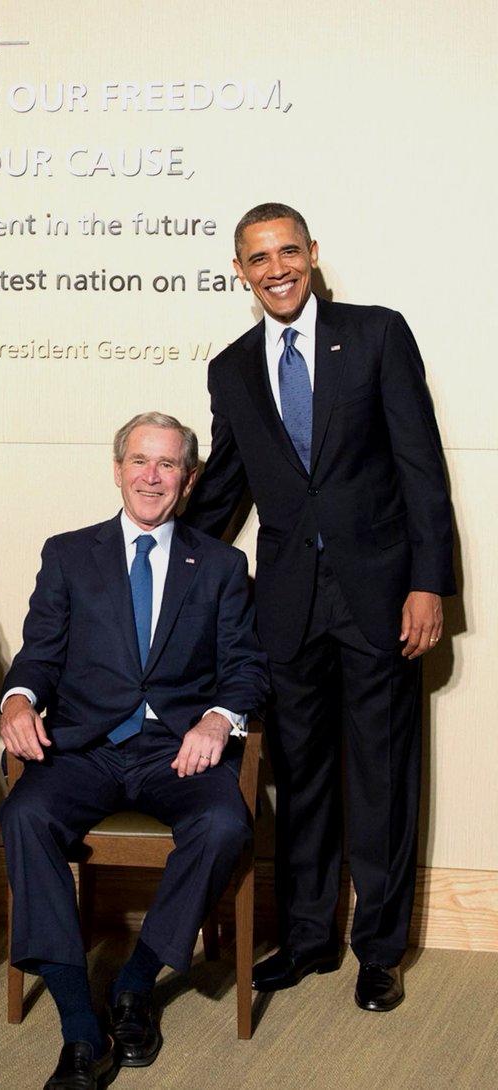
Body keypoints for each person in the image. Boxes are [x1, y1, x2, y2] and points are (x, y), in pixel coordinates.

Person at [183, 202, 456, 1012]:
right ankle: (307, 940)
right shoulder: (232, 369)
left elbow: (420, 464)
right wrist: (156, 551)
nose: (277, 269)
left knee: (381, 780)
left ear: (311, 253)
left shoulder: (376, 334)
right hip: (287, 607)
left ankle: (380, 950)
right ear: (240, 271)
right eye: (259, 258)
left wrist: (429, 582)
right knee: (300, 779)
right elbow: (225, 487)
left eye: (288, 252)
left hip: (381, 596)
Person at [1, 412, 268, 1089]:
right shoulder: (69, 554)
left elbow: (246, 668)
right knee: (25, 815)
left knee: (225, 824)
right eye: (140, 462)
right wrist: (18, 700)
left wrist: (219, 720)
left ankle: (135, 980)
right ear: (117, 469)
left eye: (168, 464)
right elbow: (39, 656)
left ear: (189, 478)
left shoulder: (220, 565)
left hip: (176, 751)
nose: (152, 477)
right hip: (86, 748)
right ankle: (80, 1027)